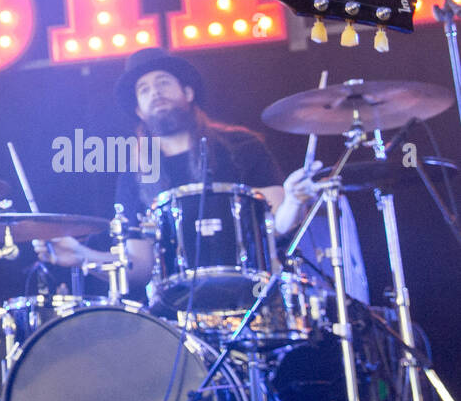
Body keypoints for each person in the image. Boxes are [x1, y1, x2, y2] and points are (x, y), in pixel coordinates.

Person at [31, 47, 351, 294]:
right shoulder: (134, 176)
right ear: (139, 110)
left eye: (163, 83)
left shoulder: (241, 146)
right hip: (179, 312)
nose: (154, 92)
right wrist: (82, 255)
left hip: (255, 293)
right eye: (144, 90)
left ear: (188, 93)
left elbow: (277, 224)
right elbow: (140, 267)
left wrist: (295, 200)